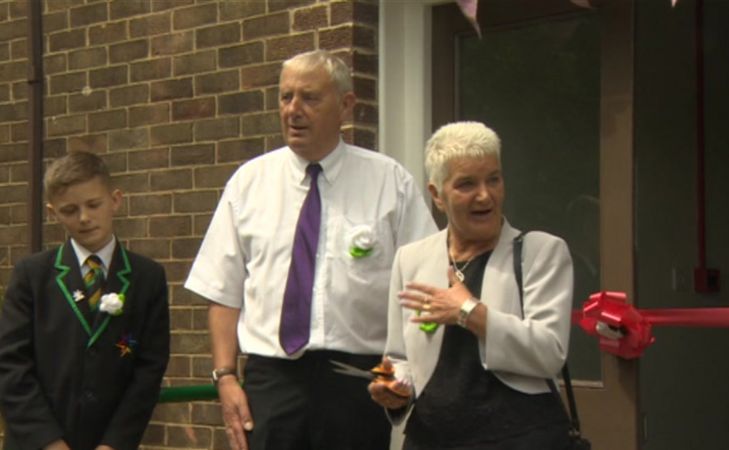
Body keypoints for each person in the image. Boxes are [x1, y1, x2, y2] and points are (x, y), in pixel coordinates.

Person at [184, 49, 436, 450]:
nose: (293, 110)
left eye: (309, 98)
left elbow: (426, 288)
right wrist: (225, 376)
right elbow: (223, 291)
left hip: (359, 381)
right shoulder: (249, 184)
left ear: (346, 105)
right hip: (272, 381)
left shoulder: (390, 183)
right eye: (286, 97)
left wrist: (408, 370)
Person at [368, 121, 575, 450]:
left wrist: (468, 312)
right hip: (430, 439)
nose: (485, 194)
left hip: (520, 438)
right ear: (437, 195)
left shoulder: (541, 252)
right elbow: (399, 357)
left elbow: (549, 353)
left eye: (493, 178)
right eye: (467, 184)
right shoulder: (411, 259)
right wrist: (395, 387)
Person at [0, 151, 170, 450]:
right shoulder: (32, 275)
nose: (84, 218)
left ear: (115, 200)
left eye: (94, 205)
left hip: (107, 440)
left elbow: (149, 369)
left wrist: (114, 443)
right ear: (53, 213)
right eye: (69, 210)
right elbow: (11, 364)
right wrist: (49, 441)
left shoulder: (147, 278)